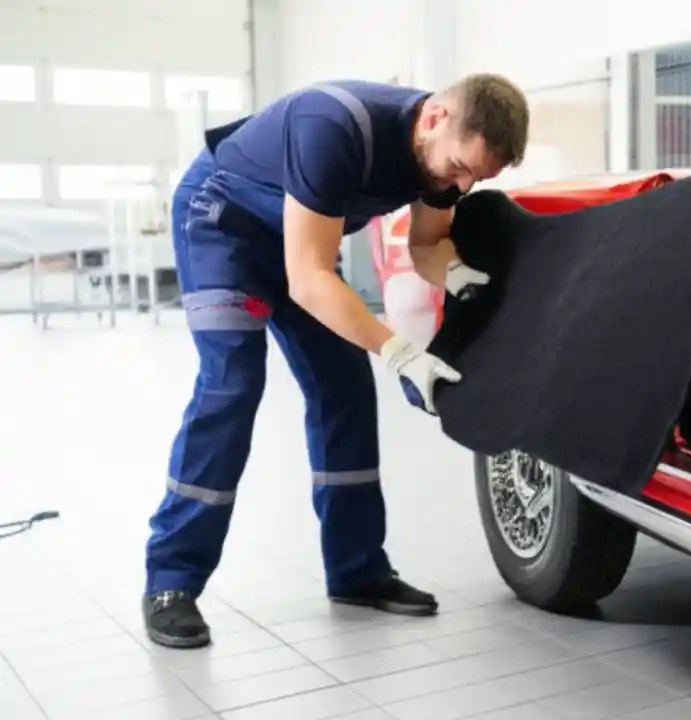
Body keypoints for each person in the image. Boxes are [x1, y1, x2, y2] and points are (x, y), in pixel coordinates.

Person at [141, 74, 529, 649]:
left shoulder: (444, 156)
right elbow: (309, 278)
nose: (461, 184)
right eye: (459, 168)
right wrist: (399, 351)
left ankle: (357, 571)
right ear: (436, 117)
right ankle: (171, 582)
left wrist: (456, 274)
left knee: (345, 386)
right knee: (233, 385)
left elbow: (425, 245)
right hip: (221, 225)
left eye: (477, 178)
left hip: (297, 240)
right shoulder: (335, 126)